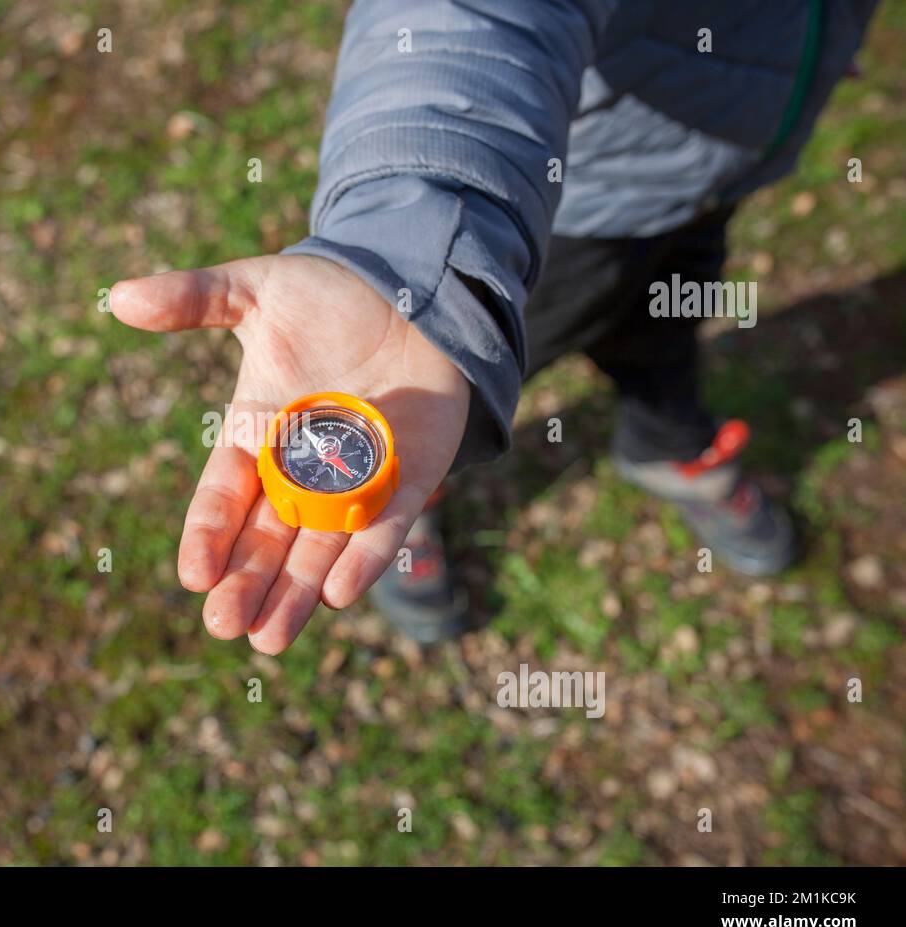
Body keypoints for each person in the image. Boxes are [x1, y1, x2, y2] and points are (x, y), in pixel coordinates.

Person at [109, 0, 880, 652]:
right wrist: (407, 261)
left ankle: (667, 441)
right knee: (460, 377)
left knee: (666, 324)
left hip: (712, 173)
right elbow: (470, 17)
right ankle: (412, 494)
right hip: (556, 211)